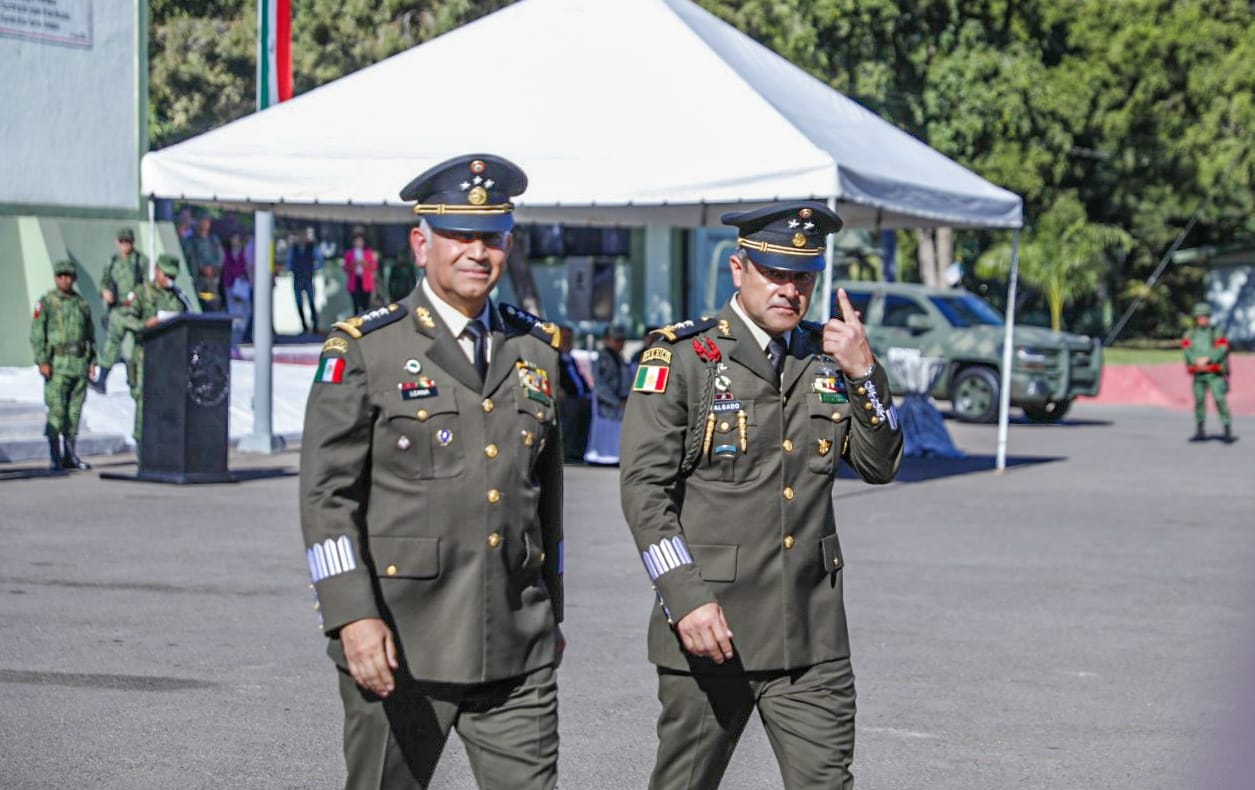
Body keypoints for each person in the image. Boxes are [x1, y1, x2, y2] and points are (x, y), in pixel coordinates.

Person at [300, 153, 565, 790]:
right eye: (459, 236)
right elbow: (325, 498)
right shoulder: (367, 348)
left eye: (492, 237)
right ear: (422, 244)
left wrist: (552, 612)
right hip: (399, 643)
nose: (478, 252)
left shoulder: (537, 350)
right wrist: (350, 616)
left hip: (515, 646)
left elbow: (544, 500)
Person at [619, 201, 904, 790]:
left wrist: (863, 372)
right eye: (774, 271)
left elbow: (880, 465)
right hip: (712, 626)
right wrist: (683, 596)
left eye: (802, 276)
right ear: (738, 268)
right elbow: (645, 492)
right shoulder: (683, 359)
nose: (789, 289)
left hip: (811, 633)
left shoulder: (825, 360)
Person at [30, 260, 98, 470]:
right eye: (61, 276)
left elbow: (90, 334)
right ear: (55, 278)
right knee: (57, 412)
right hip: (57, 365)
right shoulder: (47, 302)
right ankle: (55, 457)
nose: (65, 280)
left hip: (78, 363)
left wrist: (92, 361)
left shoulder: (81, 304)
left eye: (68, 276)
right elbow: (37, 334)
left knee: (74, 413)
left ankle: (70, 455)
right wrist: (42, 360)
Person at [127, 254, 192, 446]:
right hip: (145, 356)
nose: (169, 280)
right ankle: (142, 447)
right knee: (144, 401)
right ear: (156, 270)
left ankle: (166, 446)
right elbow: (124, 319)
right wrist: (145, 324)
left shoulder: (179, 296)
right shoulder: (141, 293)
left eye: (172, 276)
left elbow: (190, 318)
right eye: (166, 275)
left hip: (171, 357)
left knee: (169, 402)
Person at [91, 227, 148, 395]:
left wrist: (139, 298)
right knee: (111, 346)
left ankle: (134, 380)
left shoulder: (140, 261)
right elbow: (103, 282)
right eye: (122, 242)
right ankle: (101, 381)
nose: (125, 245)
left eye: (127, 242)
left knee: (134, 349)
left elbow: (147, 285)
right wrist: (104, 292)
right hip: (117, 310)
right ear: (117, 243)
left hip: (134, 311)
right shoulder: (113, 262)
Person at [1183, 301, 1235, 443]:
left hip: (1214, 374)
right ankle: (1200, 430)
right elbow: (1187, 350)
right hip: (1198, 374)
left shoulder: (1216, 332)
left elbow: (1223, 348)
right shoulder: (1190, 334)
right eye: (1200, 317)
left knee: (1219, 400)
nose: (1202, 319)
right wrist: (1195, 360)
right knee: (1199, 402)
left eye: (1205, 316)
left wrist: (1209, 358)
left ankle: (1227, 429)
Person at [557, 324, 592, 463]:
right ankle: (566, 452)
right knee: (569, 420)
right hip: (567, 398)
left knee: (584, 419)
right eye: (564, 338)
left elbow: (579, 379)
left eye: (569, 338)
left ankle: (577, 452)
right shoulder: (555, 357)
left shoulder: (570, 359)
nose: (567, 341)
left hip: (579, 396)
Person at [184, 215, 225, 312]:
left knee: (212, 304)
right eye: (202, 221)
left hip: (211, 282)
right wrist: (201, 268)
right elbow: (189, 258)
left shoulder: (213, 240)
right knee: (197, 304)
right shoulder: (190, 240)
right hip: (197, 281)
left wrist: (213, 269)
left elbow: (220, 257)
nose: (205, 224)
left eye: (207, 222)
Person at [288, 226, 323, 334]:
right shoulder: (294, 248)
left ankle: (315, 324)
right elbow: (288, 262)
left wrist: (313, 269)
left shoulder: (312, 247)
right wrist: (293, 269)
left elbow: (320, 261)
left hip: (308, 277)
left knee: (311, 301)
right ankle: (304, 325)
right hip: (297, 277)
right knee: (299, 302)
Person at [594, 324, 631, 421]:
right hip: (612, 408)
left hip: (622, 404)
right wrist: (618, 402)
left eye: (623, 340)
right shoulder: (605, 359)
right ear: (607, 340)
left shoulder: (619, 357)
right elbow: (600, 386)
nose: (621, 343)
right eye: (617, 340)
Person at [222, 231, 252, 346]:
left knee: (244, 310)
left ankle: (239, 333)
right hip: (230, 284)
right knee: (233, 309)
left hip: (240, 285)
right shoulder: (227, 253)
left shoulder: (243, 253)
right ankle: (235, 337)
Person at [342, 226, 378, 314]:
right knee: (356, 304)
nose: (358, 243)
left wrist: (364, 263)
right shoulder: (349, 254)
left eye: (360, 241)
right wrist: (354, 264)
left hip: (366, 281)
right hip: (355, 281)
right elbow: (345, 268)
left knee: (366, 305)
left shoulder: (368, 253)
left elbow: (374, 267)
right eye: (357, 241)